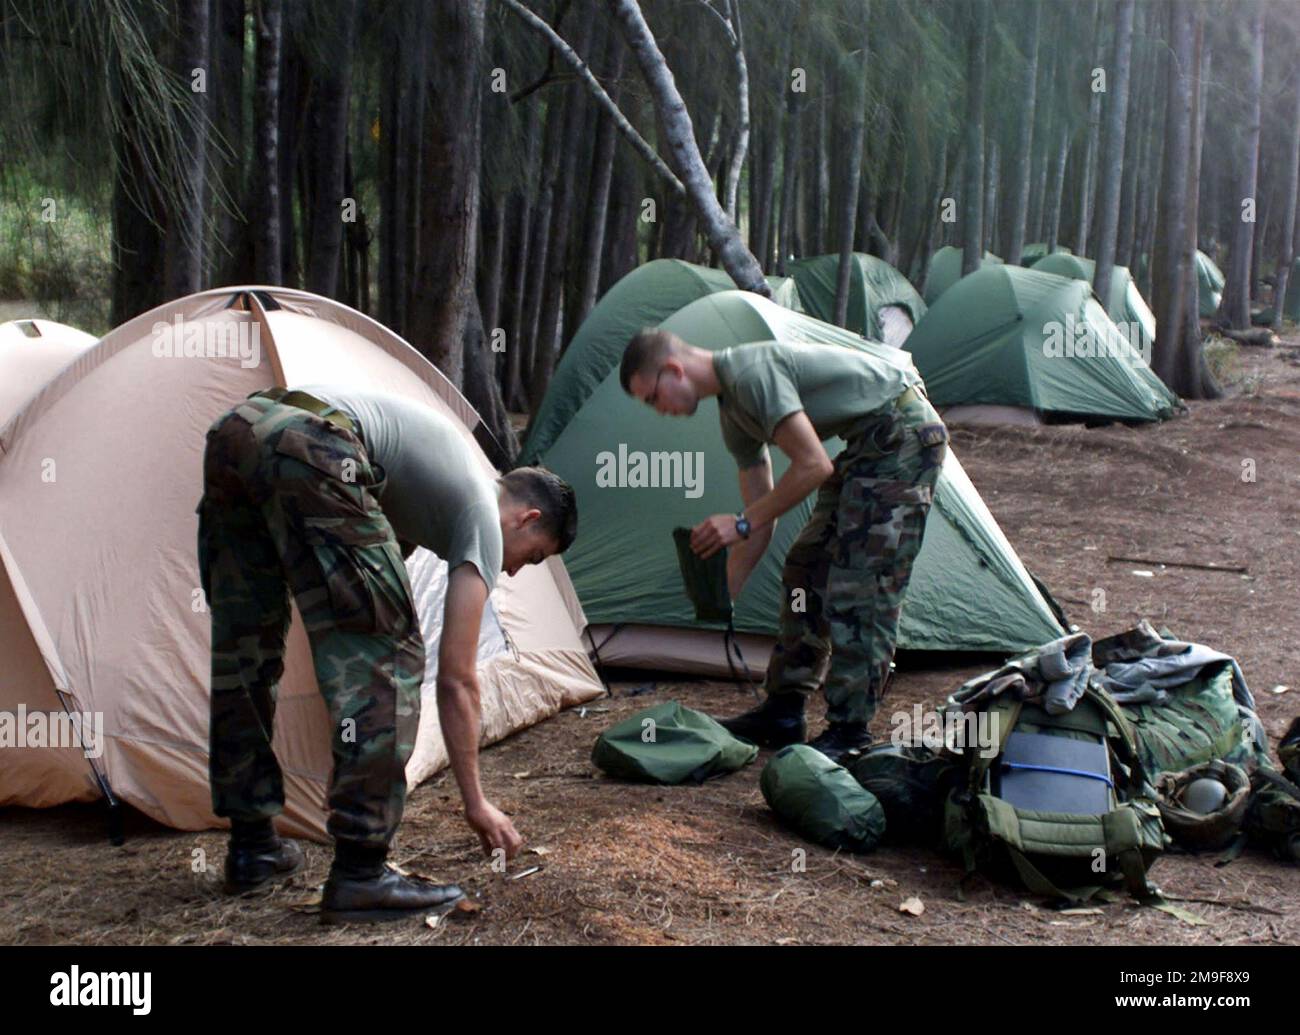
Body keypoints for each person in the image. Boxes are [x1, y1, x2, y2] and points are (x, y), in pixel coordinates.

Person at [196, 385, 577, 922]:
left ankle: (253, 845)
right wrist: (476, 803)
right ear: (527, 518)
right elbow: (458, 678)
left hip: (238, 431)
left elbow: (355, 580)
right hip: (315, 446)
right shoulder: (482, 515)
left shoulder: (423, 489)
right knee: (390, 658)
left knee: (246, 652)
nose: (514, 571)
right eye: (531, 557)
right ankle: (361, 873)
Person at [620, 331, 947, 764]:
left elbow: (813, 465)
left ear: (674, 370)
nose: (658, 410)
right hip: (866, 446)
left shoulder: (751, 374)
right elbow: (761, 519)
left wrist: (739, 522)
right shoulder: (733, 417)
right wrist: (724, 596)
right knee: (805, 572)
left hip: (902, 434)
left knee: (860, 586)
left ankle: (850, 731)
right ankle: (784, 709)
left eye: (652, 397)